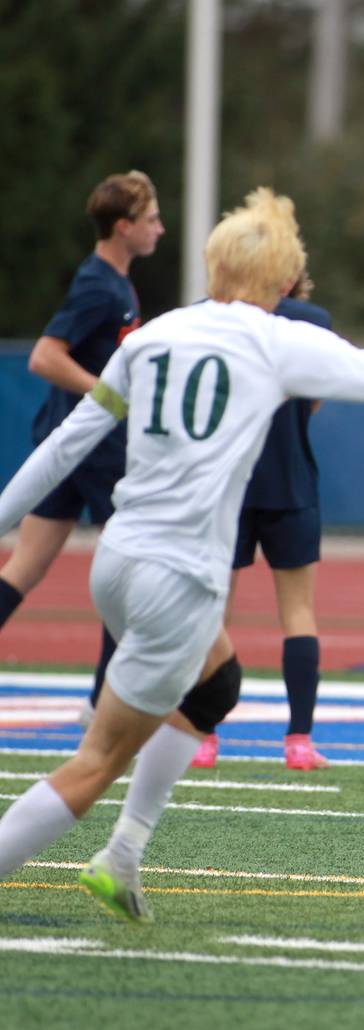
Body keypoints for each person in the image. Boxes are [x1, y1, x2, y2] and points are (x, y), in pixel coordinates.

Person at [0, 186, 364, 922]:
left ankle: (125, 854)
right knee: (97, 761)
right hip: (177, 576)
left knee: (216, 683)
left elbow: (65, 447)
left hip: (117, 560)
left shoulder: (154, 334)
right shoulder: (276, 339)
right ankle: (102, 853)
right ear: (286, 281)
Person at [0, 171, 165, 716]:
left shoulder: (114, 280)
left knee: (23, 568)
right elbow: (45, 356)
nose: (160, 229)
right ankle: (102, 706)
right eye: (151, 220)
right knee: (129, 575)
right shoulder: (100, 284)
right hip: (93, 454)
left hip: (72, 448)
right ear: (123, 227)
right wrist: (111, 398)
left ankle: (101, 702)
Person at [189, 275, 335, 772]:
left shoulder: (207, 314)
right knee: (299, 612)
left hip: (227, 483)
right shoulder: (311, 322)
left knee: (212, 613)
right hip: (290, 481)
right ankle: (299, 741)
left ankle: (202, 734)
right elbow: (317, 396)